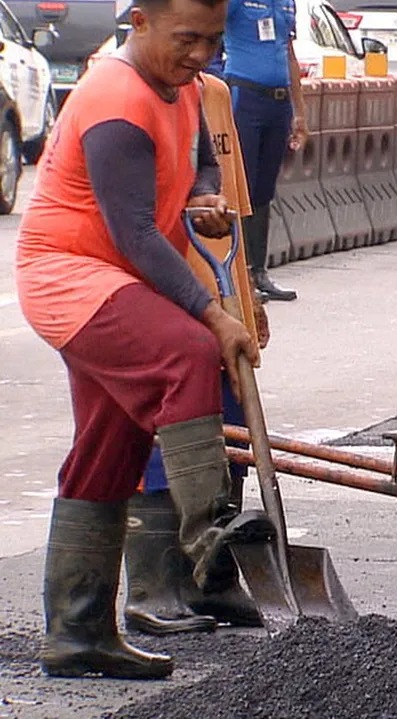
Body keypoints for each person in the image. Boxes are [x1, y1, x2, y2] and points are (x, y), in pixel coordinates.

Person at [15, 0, 269, 680]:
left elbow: (181, 183)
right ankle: (208, 528)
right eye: (185, 38)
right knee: (188, 353)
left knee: (112, 445)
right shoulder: (117, 97)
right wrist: (214, 316)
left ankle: (77, 632)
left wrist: (204, 199)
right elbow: (132, 231)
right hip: (70, 275)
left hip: (111, 277)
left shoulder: (181, 90)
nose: (200, 54)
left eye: (213, 40)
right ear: (140, 22)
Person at [122, 71, 270, 636]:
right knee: (166, 438)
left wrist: (248, 295)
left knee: (231, 437)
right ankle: (154, 586)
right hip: (162, 294)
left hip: (219, 290)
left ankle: (214, 581)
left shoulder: (213, 95)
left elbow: (229, 206)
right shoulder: (122, 91)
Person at [222, 0, 308, 303]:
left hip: (277, 103)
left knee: (263, 190)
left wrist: (299, 111)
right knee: (241, 183)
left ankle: (259, 271)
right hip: (245, 97)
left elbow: (288, 54)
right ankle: (236, 272)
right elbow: (210, 33)